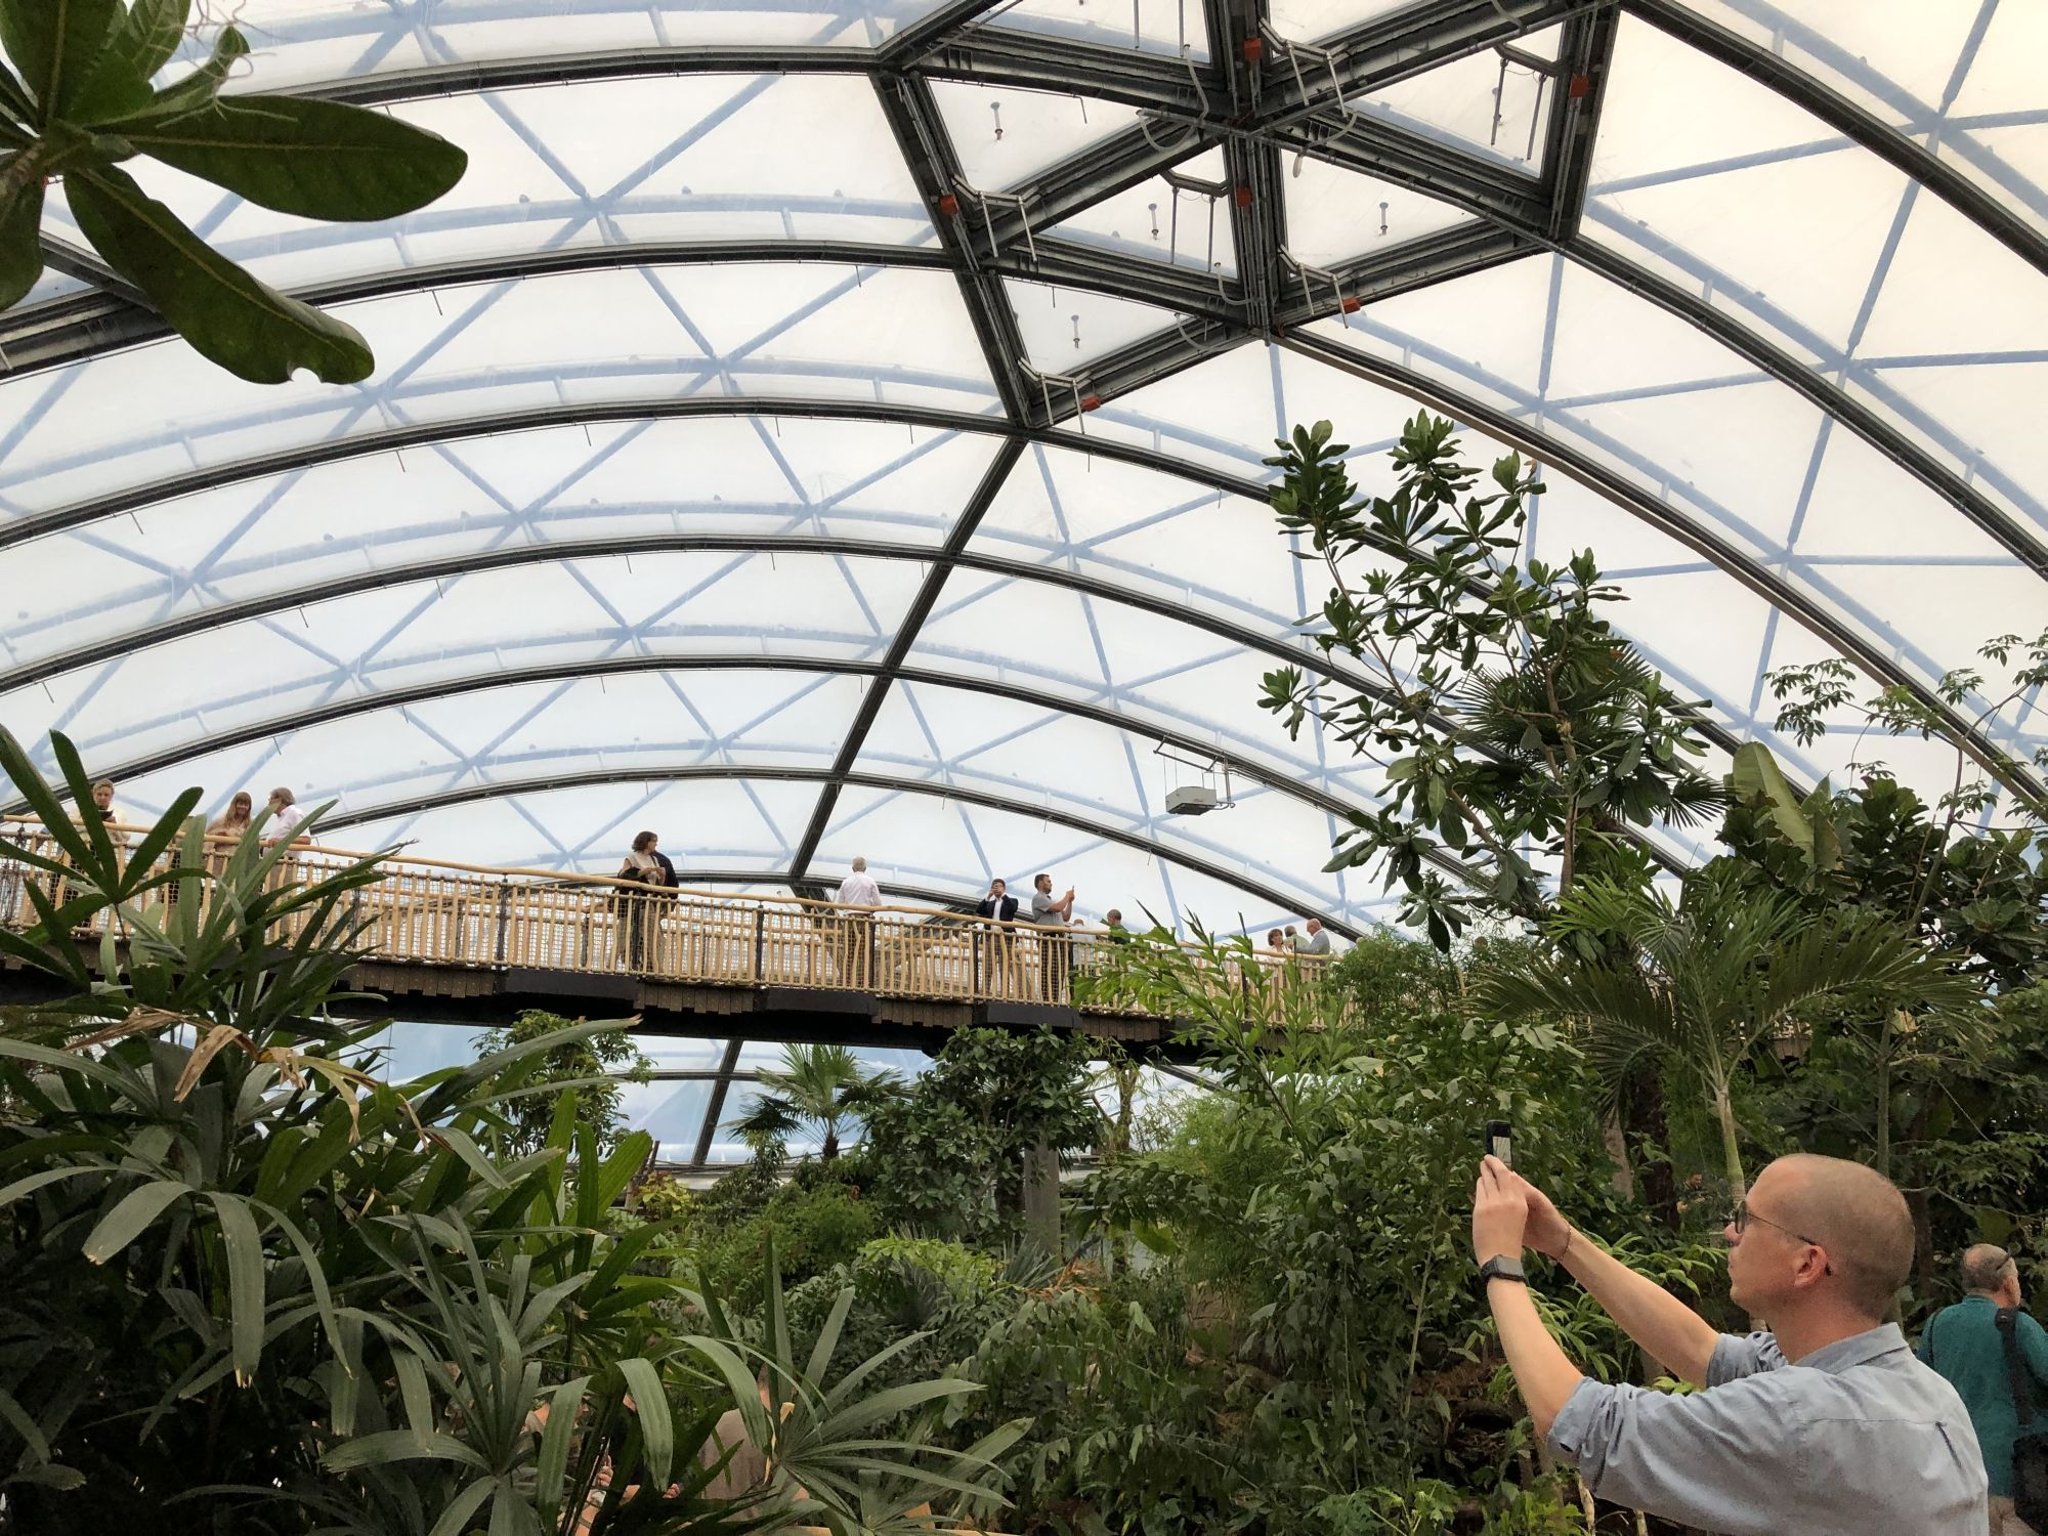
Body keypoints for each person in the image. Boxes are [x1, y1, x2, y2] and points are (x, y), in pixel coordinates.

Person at [1472, 1152, 1986, 1534]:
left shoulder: (1803, 1416)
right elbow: (1703, 1352)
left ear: (1807, 1263)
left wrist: (1500, 1263)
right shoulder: (1924, 1392)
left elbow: (1584, 1424)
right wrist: (1564, 1242)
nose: (1729, 1232)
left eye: (1747, 1220)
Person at [1920, 1245, 2048, 1534]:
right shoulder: (2019, 1325)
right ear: (2009, 1282)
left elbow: (1920, 1387)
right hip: (2020, 1480)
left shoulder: (1937, 1324)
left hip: (1959, 1478)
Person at [614, 831, 665, 971]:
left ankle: (654, 965)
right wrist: (643, 872)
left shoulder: (654, 860)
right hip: (633, 901)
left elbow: (657, 886)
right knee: (624, 933)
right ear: (646, 841)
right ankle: (615, 962)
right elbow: (623, 875)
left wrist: (661, 876)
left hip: (648, 902)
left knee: (654, 935)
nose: (656, 844)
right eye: (654, 841)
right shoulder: (632, 857)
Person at [834, 857, 883, 987]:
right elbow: (878, 903)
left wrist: (850, 905)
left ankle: (846, 980)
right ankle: (863, 981)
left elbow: (839, 905)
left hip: (849, 920)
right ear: (865, 868)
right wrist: (868, 905)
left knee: (848, 951)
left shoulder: (846, 882)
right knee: (864, 951)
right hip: (865, 921)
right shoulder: (870, 881)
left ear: (852, 868)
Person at [1030, 872, 1076, 1001]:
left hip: (1059, 938)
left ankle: (1055, 996)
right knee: (1049, 967)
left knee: (1060, 969)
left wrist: (1070, 902)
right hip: (1048, 937)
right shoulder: (1038, 898)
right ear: (1040, 883)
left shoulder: (1051, 900)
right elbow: (1057, 908)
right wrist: (1067, 896)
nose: (1051, 883)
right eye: (1048, 881)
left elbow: (1066, 916)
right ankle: (1048, 997)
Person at [973, 877, 1019, 994]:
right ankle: (985, 991)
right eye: (994, 886)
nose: (996, 888)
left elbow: (1012, 909)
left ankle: (1005, 992)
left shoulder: (1012, 900)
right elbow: (979, 910)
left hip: (1006, 937)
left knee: (1004, 966)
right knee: (988, 965)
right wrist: (987, 897)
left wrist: (1003, 895)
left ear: (1004, 888)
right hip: (990, 937)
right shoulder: (990, 904)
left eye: (998, 886)